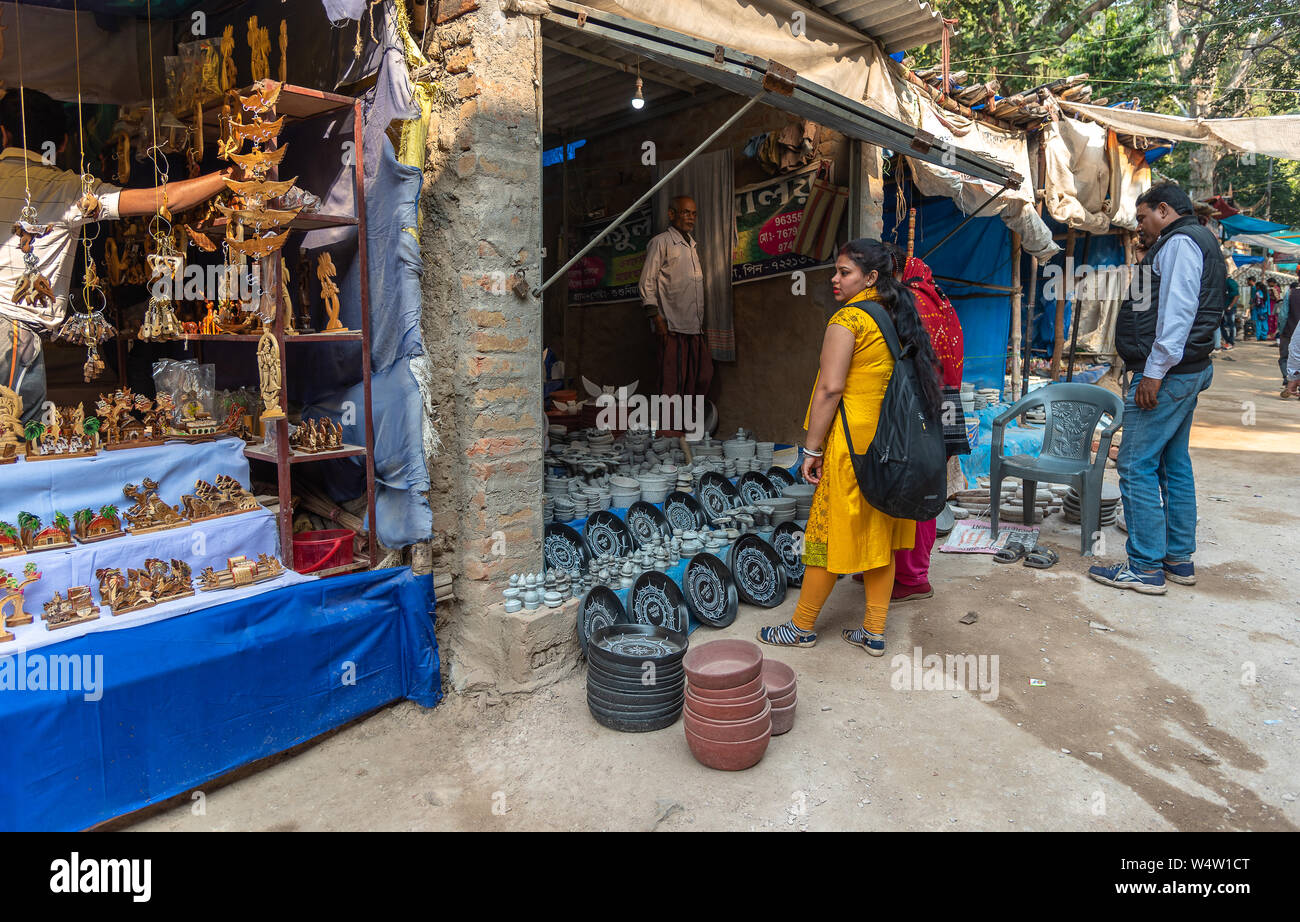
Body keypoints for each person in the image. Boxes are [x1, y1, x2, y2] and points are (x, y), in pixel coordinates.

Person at [1, 88, 233, 422]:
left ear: (5, 133)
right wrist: (229, 175)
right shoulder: (68, 190)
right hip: (11, 334)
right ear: (63, 143)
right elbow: (163, 200)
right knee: (13, 446)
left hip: (13, 334)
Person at [758, 238, 942, 655]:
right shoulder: (897, 313)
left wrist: (811, 449)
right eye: (835, 271)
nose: (835, 279)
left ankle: (802, 626)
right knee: (881, 537)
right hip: (892, 446)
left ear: (870, 277)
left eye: (845, 272)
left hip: (853, 447)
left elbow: (830, 388)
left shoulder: (850, 319)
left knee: (825, 534)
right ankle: (874, 632)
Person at [1090, 183, 1222, 594]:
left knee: (1133, 464)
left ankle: (1145, 567)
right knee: (1172, 463)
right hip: (1187, 370)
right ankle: (1178, 559)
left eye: (1143, 216)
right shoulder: (1197, 239)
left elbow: (1179, 312)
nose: (1139, 225)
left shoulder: (1181, 242)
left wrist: (1154, 372)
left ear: (1163, 210)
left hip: (1170, 373)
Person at [639, 195, 712, 406]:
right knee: (673, 382)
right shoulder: (661, 242)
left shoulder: (692, 246)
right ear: (671, 214)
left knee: (701, 376)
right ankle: (668, 433)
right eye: (686, 212)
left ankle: (685, 428)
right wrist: (656, 318)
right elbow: (647, 281)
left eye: (694, 214)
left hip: (693, 327)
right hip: (671, 326)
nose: (691, 218)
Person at [1280, 281, 1300, 398]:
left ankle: (1288, 379)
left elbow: (1283, 315)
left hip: (1290, 329)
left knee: (1284, 357)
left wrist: (1282, 331)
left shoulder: (1291, 293)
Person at [1220, 272, 1238, 351]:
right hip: (1225, 307)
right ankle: (1227, 340)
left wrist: (1230, 306)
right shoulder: (1224, 283)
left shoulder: (1230, 282)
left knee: (1229, 325)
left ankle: (1231, 342)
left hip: (1229, 308)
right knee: (1222, 325)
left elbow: (1236, 295)